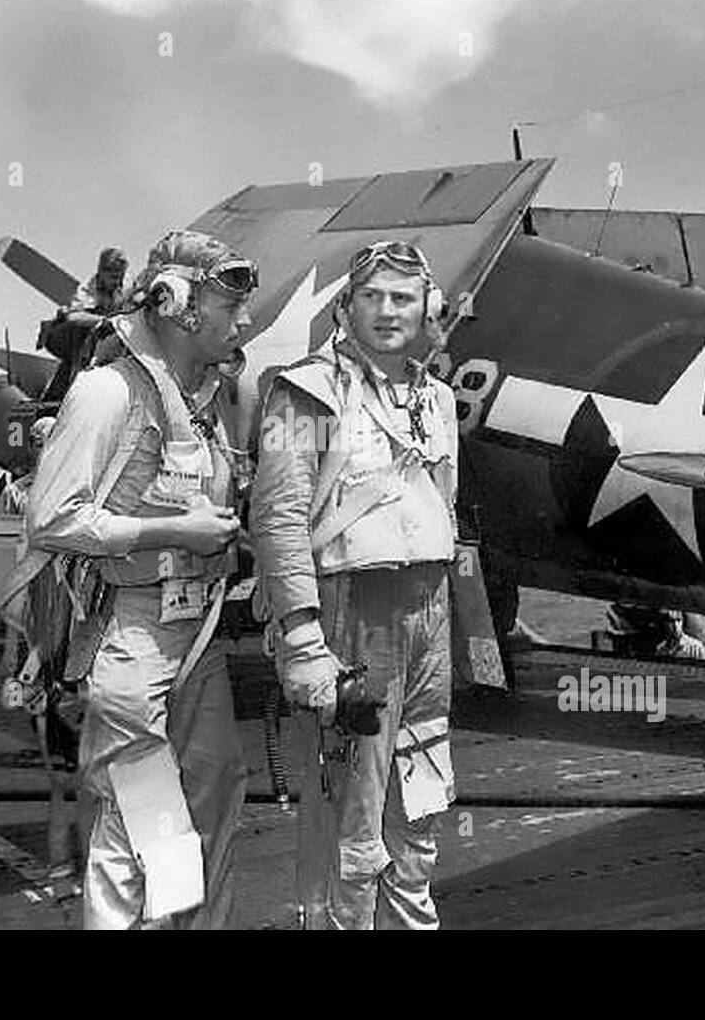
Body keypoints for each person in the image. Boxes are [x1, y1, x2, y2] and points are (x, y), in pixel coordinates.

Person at [4, 230, 257, 929]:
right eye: (228, 306)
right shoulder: (106, 393)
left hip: (194, 634)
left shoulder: (203, 401)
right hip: (127, 634)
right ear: (178, 304)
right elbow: (53, 519)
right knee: (143, 823)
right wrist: (176, 530)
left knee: (211, 795)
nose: (241, 323)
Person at [252, 240, 459, 930]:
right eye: (372, 296)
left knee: (421, 802)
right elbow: (278, 519)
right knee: (352, 822)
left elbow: (443, 511)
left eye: (404, 297)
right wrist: (305, 638)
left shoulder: (436, 401)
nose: (388, 310)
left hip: (428, 614)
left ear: (428, 308)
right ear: (345, 308)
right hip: (352, 618)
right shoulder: (304, 392)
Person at [39, 246, 130, 403]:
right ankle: (67, 390)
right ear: (101, 272)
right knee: (81, 332)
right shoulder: (90, 287)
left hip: (114, 342)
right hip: (79, 341)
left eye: (119, 276)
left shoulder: (128, 287)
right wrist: (103, 321)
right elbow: (74, 317)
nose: (116, 281)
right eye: (112, 276)